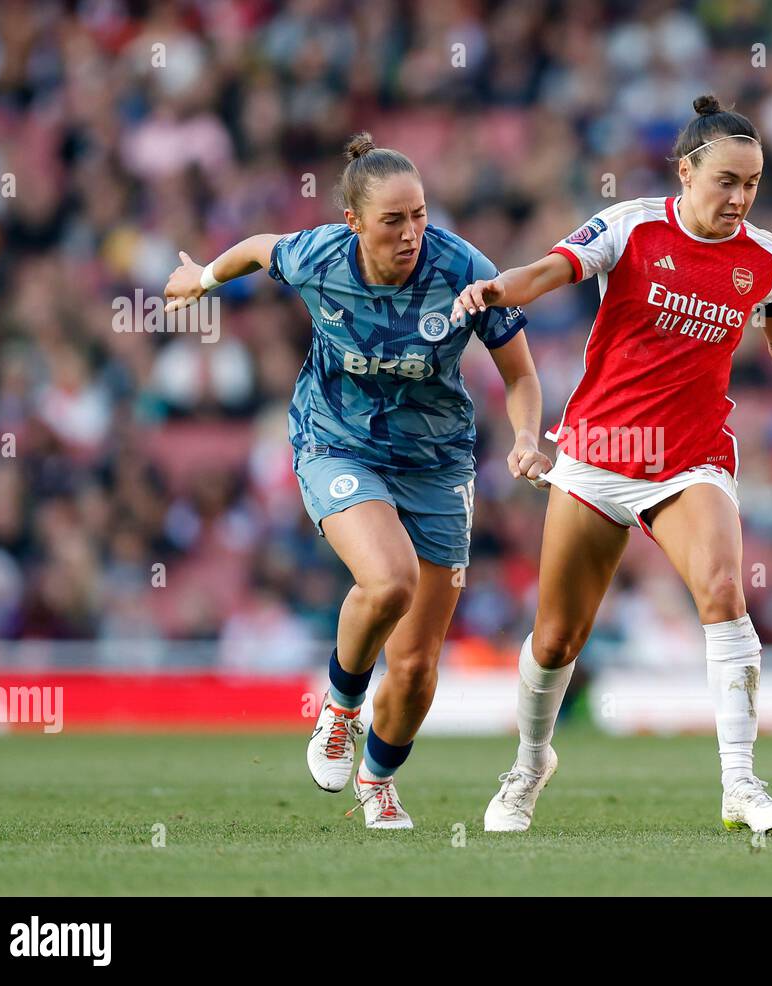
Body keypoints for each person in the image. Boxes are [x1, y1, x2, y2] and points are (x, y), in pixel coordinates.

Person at [451, 96, 772, 834]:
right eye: (726, 180)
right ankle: (530, 761)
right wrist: (495, 290)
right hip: (599, 453)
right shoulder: (631, 225)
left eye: (753, 183)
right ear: (687, 172)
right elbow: (550, 270)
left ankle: (741, 785)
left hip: (690, 459)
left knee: (725, 589)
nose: (739, 198)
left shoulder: (766, 258)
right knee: (556, 639)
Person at [164, 133, 550, 829]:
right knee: (390, 580)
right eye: (393, 220)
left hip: (437, 465)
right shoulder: (319, 257)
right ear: (354, 223)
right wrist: (204, 280)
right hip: (336, 443)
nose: (411, 234)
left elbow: (520, 374)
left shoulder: (464, 269)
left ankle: (377, 779)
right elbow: (258, 246)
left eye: (420, 215)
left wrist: (526, 435)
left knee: (414, 669)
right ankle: (339, 708)